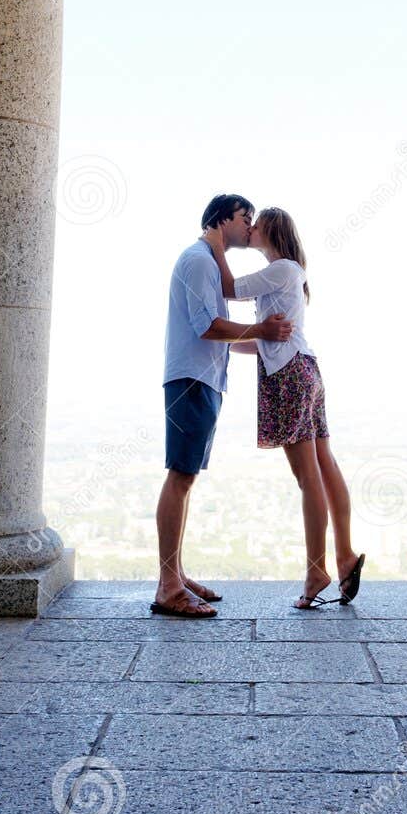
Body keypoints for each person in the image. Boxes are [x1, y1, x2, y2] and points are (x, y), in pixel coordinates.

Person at [205, 206, 365, 610]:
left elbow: (228, 288)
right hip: (304, 369)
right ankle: (344, 556)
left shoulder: (281, 268)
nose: (251, 228)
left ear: (272, 230)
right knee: (325, 465)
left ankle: (317, 569)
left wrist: (215, 244)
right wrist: (218, 342)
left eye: (257, 224)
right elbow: (262, 339)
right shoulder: (290, 274)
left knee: (307, 477)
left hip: (290, 376)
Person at [154, 193, 294, 619]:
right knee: (180, 476)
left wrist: (268, 342)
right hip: (190, 381)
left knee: (187, 477)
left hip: (206, 380)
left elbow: (223, 331)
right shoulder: (198, 260)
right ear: (220, 219)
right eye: (243, 217)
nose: (249, 225)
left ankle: (176, 573)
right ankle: (167, 586)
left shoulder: (209, 263)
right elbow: (208, 327)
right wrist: (263, 330)